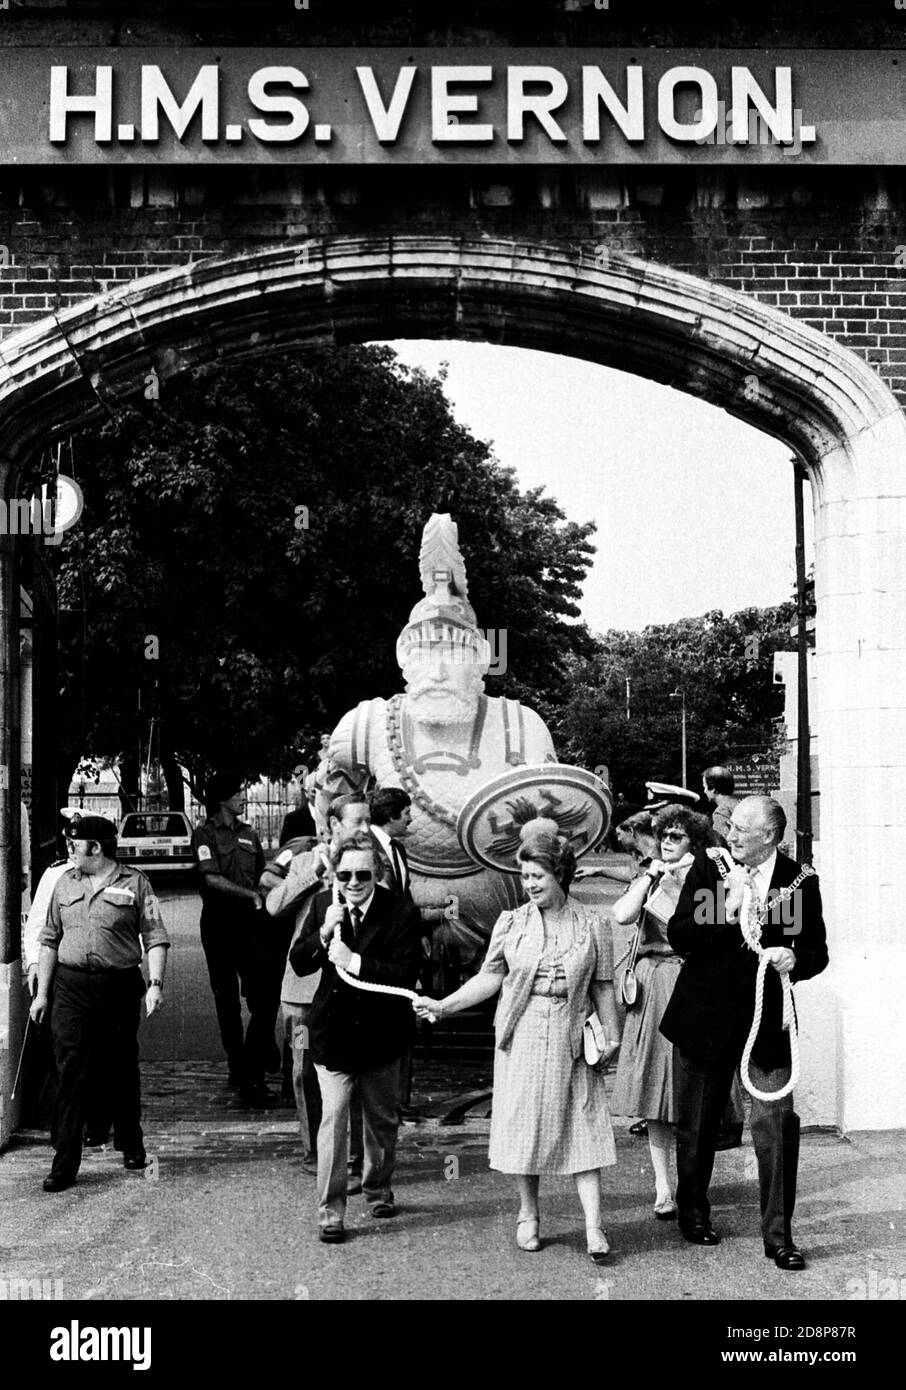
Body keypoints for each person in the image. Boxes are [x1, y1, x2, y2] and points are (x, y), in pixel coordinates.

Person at [414, 820, 621, 1264]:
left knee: (582, 1124)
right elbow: (491, 977)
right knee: (525, 1125)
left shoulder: (592, 923)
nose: (529, 885)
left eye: (537, 877)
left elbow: (603, 986)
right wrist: (445, 1005)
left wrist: (613, 1034)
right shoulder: (511, 923)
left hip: (571, 1034)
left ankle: (594, 1226)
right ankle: (528, 1216)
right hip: (522, 1034)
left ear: (560, 874)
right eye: (524, 877)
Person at [660, 795, 828, 1268]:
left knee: (775, 1127)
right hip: (705, 1016)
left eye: (739, 830)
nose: (728, 836)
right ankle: (693, 1212)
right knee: (697, 1126)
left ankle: (779, 1236)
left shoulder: (798, 881)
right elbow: (681, 935)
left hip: (767, 1022)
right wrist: (730, 906)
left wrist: (795, 959)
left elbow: (816, 950)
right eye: (729, 826)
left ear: (770, 837)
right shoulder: (712, 869)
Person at [289, 833, 423, 1244]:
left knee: (381, 1119)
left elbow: (405, 974)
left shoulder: (400, 912)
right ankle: (330, 1212)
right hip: (333, 1034)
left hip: (382, 1034)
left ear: (377, 874)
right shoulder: (321, 905)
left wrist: (356, 961)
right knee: (334, 1119)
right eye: (344, 874)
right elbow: (300, 961)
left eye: (362, 874)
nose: (353, 882)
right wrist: (324, 933)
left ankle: (378, 1187)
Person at [29, 815, 169, 1191]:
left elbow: (155, 936)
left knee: (120, 1065)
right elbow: (49, 940)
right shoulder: (63, 883)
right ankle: (65, 1163)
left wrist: (155, 984)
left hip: (119, 985)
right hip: (71, 987)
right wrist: (43, 993)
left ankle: (130, 1141)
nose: (69, 849)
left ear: (96, 846)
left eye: (75, 844)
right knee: (71, 1069)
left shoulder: (137, 883)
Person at [610, 805, 718, 1218]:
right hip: (653, 983)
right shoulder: (651, 874)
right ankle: (662, 1185)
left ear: (695, 841)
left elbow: (709, 932)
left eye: (677, 837)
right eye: (664, 836)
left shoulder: (707, 877)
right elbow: (621, 915)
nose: (667, 843)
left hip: (690, 979)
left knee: (689, 1090)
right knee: (655, 1091)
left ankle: (692, 1181)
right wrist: (652, 875)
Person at [192, 770, 274, 1107]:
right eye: (238, 792)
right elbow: (210, 879)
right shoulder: (204, 834)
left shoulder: (250, 834)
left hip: (250, 925)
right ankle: (238, 1064)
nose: (243, 797)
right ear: (222, 799)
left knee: (262, 996)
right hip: (218, 923)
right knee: (226, 999)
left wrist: (265, 896)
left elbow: (262, 877)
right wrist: (249, 894)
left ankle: (259, 1051)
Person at [702, 766, 741, 845]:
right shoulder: (741, 804)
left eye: (705, 787)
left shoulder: (720, 813)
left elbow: (724, 843)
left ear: (713, 789)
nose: (704, 791)